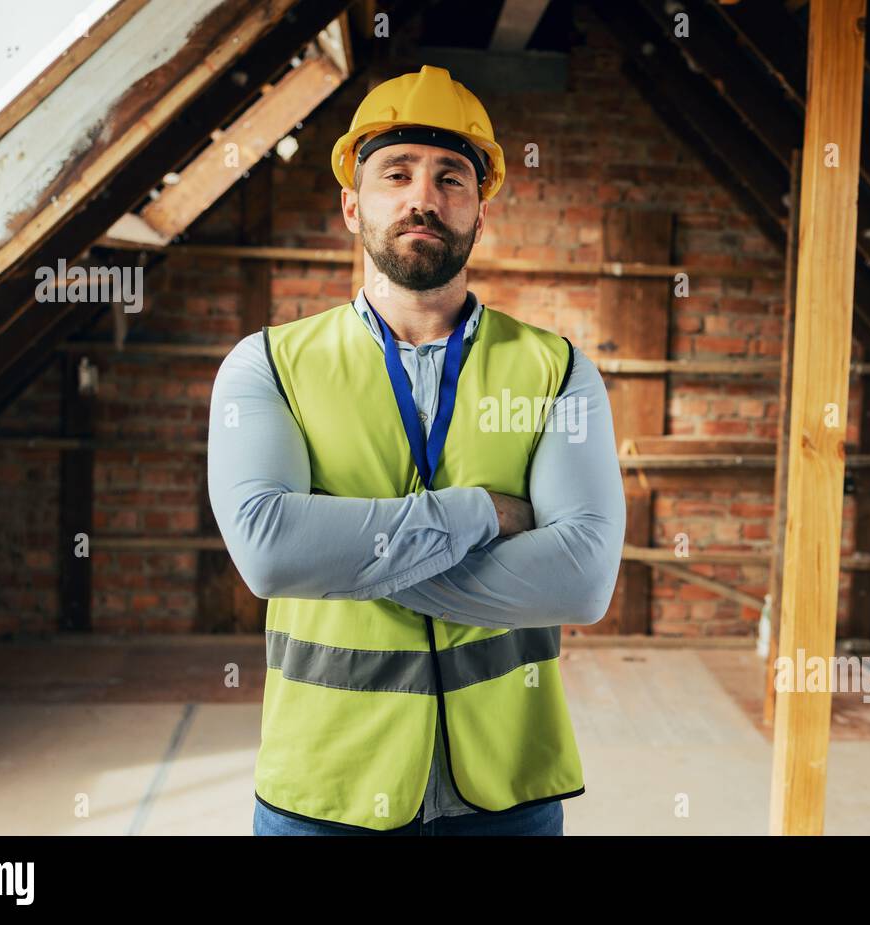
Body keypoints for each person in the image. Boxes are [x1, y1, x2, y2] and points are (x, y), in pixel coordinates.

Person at [206, 65, 626, 836]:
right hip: (324, 790)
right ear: (351, 204)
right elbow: (268, 553)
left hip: (505, 791)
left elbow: (583, 578)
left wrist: (345, 553)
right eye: (395, 173)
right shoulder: (268, 366)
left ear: (480, 211)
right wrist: (480, 514)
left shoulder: (557, 370)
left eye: (451, 179)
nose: (422, 198)